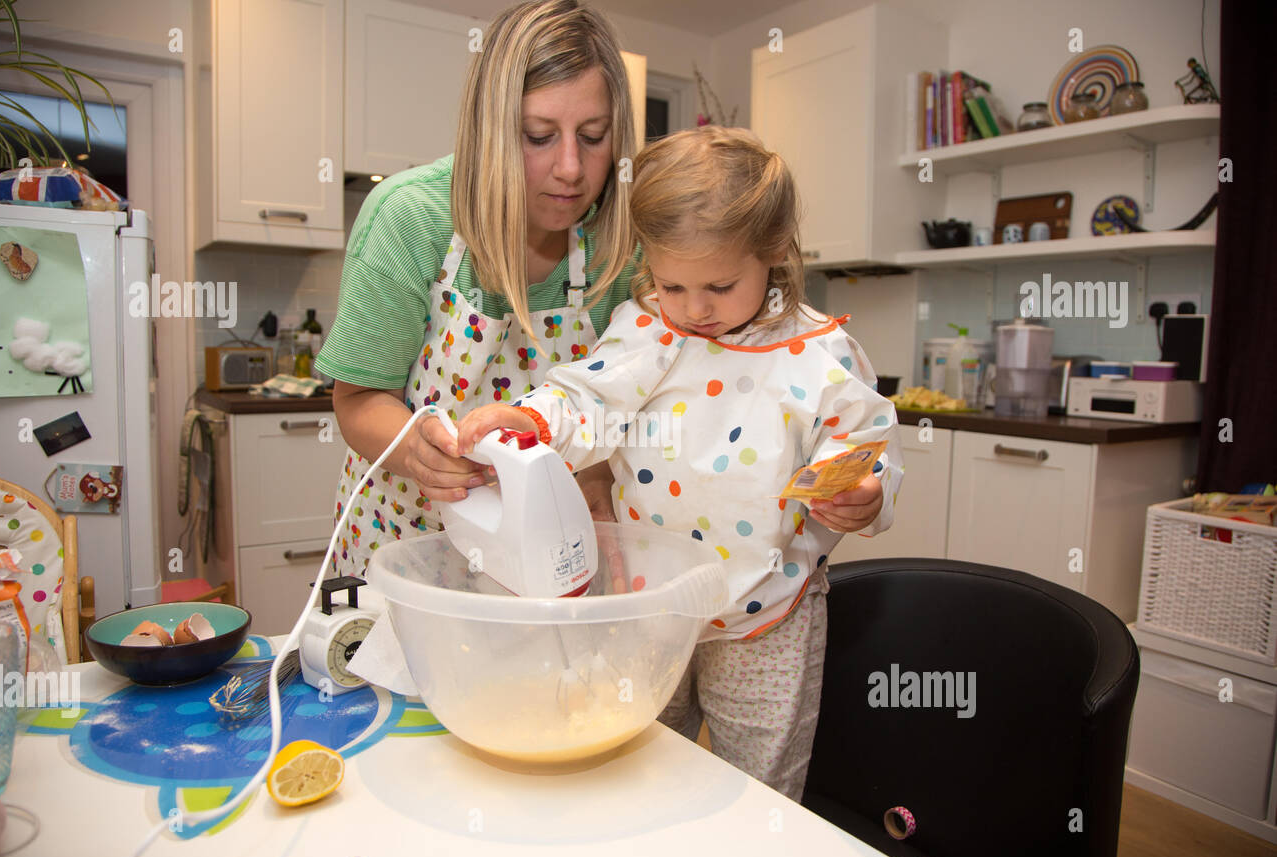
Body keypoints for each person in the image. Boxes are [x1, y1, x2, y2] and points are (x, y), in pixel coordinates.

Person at [457, 126, 904, 801]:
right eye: (672, 284)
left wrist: (865, 494)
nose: (694, 310)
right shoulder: (647, 331)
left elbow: (863, 449)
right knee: (630, 765)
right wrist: (533, 419)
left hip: (766, 620)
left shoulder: (821, 354)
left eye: (720, 286)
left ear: (774, 252)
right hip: (648, 608)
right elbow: (588, 398)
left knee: (759, 791)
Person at [314, 0, 639, 575]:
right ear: (489, 128)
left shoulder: (618, 240)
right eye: (538, 136)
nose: (570, 167)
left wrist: (591, 479)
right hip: (403, 541)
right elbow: (358, 402)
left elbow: (621, 404)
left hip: (543, 552)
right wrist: (416, 448)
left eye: (593, 136)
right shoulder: (410, 217)